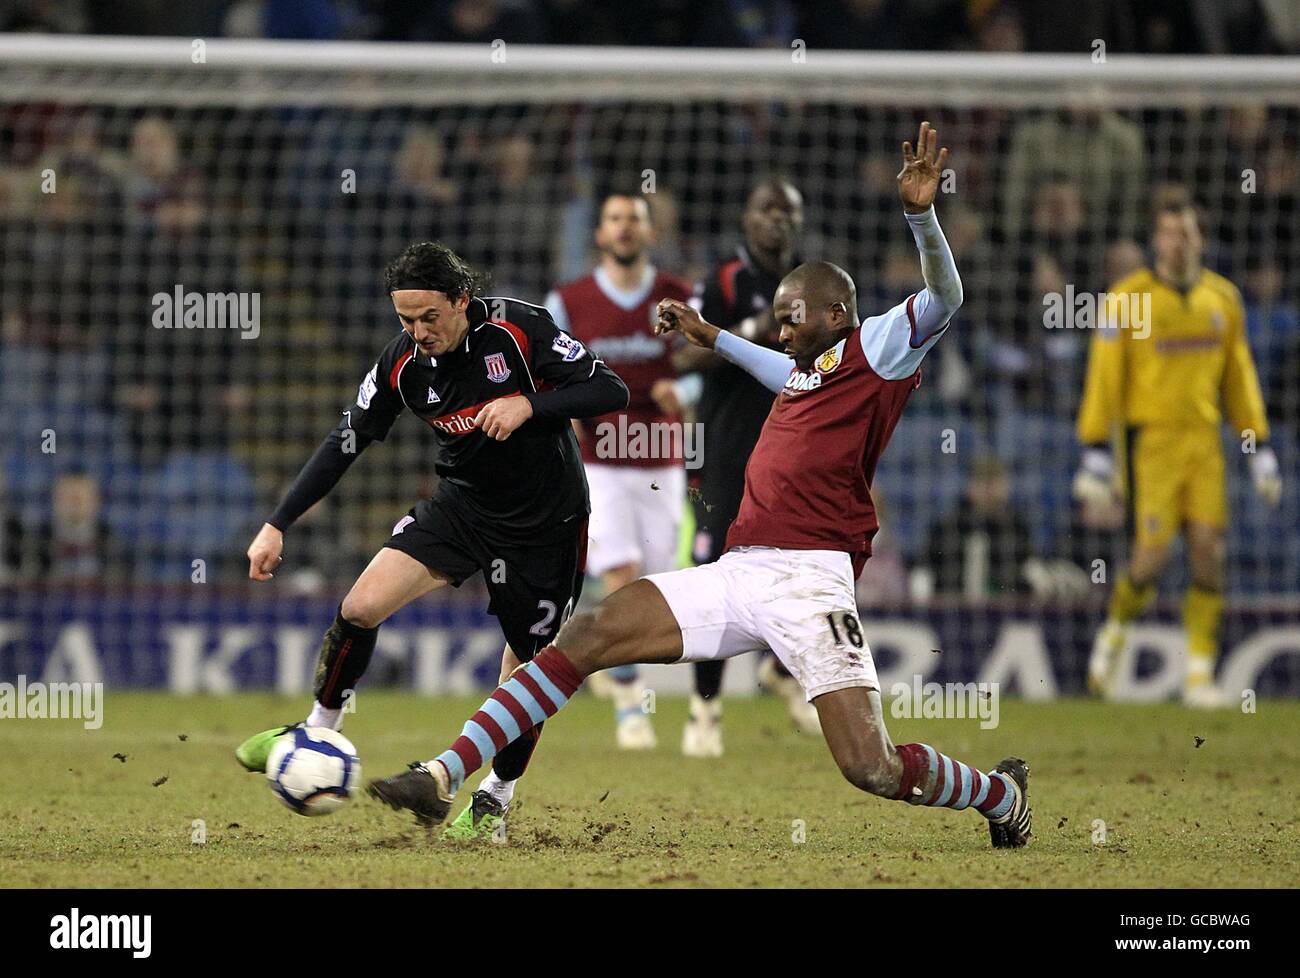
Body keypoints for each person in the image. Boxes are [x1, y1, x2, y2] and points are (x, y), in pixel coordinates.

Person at [368, 123, 1032, 850]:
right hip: (741, 571)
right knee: (583, 634)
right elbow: (776, 370)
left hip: (812, 582)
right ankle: (445, 774)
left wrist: (920, 216)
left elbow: (945, 297)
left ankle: (999, 794)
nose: (783, 332)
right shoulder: (807, 371)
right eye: (777, 320)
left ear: (837, 314)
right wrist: (711, 335)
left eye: (793, 317)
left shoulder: (880, 348)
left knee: (869, 767)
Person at [234, 242, 629, 848]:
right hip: (463, 508)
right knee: (360, 607)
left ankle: (494, 801)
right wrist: (278, 522)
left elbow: (611, 390)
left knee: (523, 674)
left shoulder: (520, 330)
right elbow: (349, 440)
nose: (418, 333)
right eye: (405, 321)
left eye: (429, 319)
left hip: (546, 525)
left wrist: (529, 404)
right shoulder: (402, 364)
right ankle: (315, 731)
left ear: (461, 301)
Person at [1076, 196, 1281, 707]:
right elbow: (1105, 379)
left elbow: (1239, 378)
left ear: (1200, 238)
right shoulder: (1128, 300)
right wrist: (1096, 451)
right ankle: (1113, 634)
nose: (1179, 241)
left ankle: (1198, 676)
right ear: (1156, 241)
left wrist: (1258, 447)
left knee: (1210, 551)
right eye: (1169, 232)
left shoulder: (1223, 299)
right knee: (1152, 558)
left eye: (1186, 231)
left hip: (1205, 442)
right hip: (1151, 443)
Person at [544, 190, 693, 751]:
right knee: (621, 572)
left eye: (634, 218)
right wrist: (565, 406)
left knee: (654, 584)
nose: (624, 228)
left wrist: (684, 386)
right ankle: (631, 705)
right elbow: (539, 367)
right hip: (599, 463)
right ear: (600, 233)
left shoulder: (678, 297)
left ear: (649, 231)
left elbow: (709, 362)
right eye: (613, 219)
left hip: (662, 458)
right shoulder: (568, 300)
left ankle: (614, 668)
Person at [679, 175, 819, 757]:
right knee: (716, 568)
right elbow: (688, 350)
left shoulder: (812, 283)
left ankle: (783, 674)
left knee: (797, 561)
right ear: (746, 218)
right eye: (767, 208)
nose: (778, 220)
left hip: (790, 446)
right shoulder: (724, 280)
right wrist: (752, 333)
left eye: (788, 211)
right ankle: (704, 710)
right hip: (724, 447)